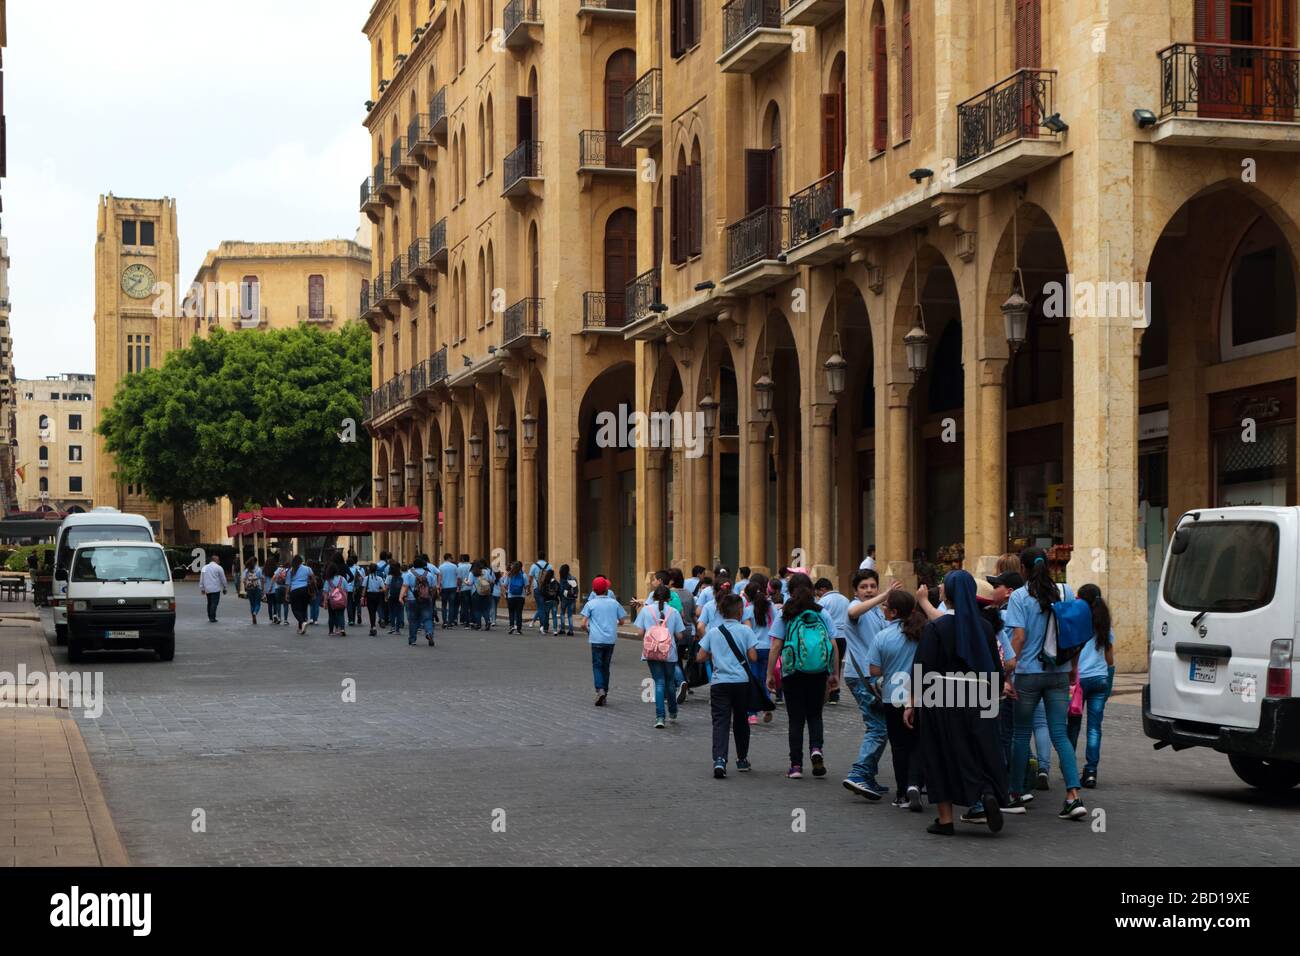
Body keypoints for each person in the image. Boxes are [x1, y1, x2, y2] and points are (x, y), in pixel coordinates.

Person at [907, 570, 1008, 836]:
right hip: (979, 698)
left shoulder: (936, 628)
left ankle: (945, 819)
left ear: (948, 594)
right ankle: (985, 793)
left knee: (940, 755)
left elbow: (921, 668)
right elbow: (996, 669)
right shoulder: (984, 627)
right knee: (976, 751)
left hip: (941, 700)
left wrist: (911, 702)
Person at [1004, 548, 1087, 820]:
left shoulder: (1019, 596)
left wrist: (1008, 670)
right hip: (1058, 671)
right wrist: (1073, 670)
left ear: (1023, 570)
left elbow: (1018, 635)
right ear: (1050, 565)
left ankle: (1015, 793)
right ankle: (1073, 796)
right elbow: (1073, 635)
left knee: (1019, 733)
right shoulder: (1064, 590)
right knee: (1059, 734)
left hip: (1027, 672)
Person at [766, 572, 839, 779]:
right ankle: (816, 749)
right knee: (815, 715)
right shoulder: (821, 612)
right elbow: (833, 644)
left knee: (796, 719)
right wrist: (834, 674)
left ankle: (796, 765)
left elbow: (776, 646)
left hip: (792, 672)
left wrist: (770, 674)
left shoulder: (786, 613)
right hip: (818, 671)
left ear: (790, 591)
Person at [869, 589, 927, 810]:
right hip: (923, 693)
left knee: (899, 745)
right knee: (919, 743)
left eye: (885, 606)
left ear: (893, 612)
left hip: (893, 694)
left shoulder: (882, 636)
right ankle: (916, 784)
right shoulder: (924, 631)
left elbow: (874, 669)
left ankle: (902, 793)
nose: (883, 609)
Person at [842, 569, 897, 800]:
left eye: (872, 586)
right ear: (856, 590)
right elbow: (854, 611)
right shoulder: (855, 607)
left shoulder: (876, 612)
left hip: (873, 676)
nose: (869, 590)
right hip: (860, 675)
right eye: (864, 587)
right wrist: (884, 595)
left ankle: (868, 776)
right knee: (878, 727)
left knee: (879, 725)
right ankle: (859, 773)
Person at [697, 593, 759, 778]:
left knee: (720, 722)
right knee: (741, 721)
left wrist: (714, 654)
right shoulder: (746, 631)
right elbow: (754, 657)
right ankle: (742, 759)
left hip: (719, 682)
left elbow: (700, 656)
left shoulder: (714, 632)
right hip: (741, 682)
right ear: (740, 611)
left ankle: (719, 759)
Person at [1068, 584, 1115, 789]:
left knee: (1073, 724)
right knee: (1094, 728)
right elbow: (1110, 658)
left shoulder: (1078, 621)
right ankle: (1090, 772)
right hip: (1100, 678)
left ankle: (1069, 768)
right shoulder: (1104, 624)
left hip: (1080, 680)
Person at [634, 584, 687, 729]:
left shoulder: (645, 611)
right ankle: (673, 711)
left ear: (654, 596)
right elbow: (680, 635)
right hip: (669, 652)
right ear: (669, 597)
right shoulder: (674, 612)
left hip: (652, 651)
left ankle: (660, 717)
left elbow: (639, 633)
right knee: (670, 682)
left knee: (659, 682)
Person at [578, 576, 627, 706]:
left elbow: (583, 624)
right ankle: (605, 691)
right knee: (606, 666)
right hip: (610, 639)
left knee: (597, 665)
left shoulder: (591, 604)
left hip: (596, 639)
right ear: (607, 589)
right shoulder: (614, 603)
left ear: (594, 590)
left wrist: (589, 630)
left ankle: (600, 689)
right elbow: (622, 621)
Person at [815, 577, 851, 704]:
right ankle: (835, 693)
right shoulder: (846, 599)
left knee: (826, 663)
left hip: (829, 637)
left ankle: (826, 691)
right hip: (843, 637)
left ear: (823, 589)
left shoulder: (823, 601)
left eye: (818, 592)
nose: (817, 595)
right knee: (838, 663)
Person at [401, 556, 437, 647]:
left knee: (413, 620)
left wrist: (400, 597)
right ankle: (429, 633)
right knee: (427, 618)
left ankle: (412, 639)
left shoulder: (409, 574)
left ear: (414, 565)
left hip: (411, 599)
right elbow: (433, 588)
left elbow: (405, 586)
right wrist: (431, 597)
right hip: (426, 599)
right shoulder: (428, 574)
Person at [287, 556, 312, 634]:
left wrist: (286, 594)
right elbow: (313, 578)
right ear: (301, 561)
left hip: (294, 590)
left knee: (295, 609)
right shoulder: (307, 568)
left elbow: (288, 584)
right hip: (305, 590)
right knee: (303, 608)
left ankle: (302, 622)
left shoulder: (291, 570)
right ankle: (301, 627)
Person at [199, 555, 228, 624]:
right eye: (218, 560)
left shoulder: (204, 567)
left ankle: (210, 616)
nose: (219, 561)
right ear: (215, 560)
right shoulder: (219, 568)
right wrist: (225, 587)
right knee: (214, 603)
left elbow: (201, 578)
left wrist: (202, 588)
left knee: (209, 603)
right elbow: (223, 578)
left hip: (207, 588)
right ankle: (212, 617)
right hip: (215, 588)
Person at [528, 552, 551, 629]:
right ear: (545, 557)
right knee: (546, 607)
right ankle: (546, 625)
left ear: (538, 557)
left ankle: (542, 625)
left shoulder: (534, 566)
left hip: (537, 588)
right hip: (547, 589)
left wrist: (528, 589)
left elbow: (530, 578)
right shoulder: (549, 566)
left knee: (540, 607)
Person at [324, 563, 349, 637]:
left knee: (331, 615)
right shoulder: (342, 579)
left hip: (331, 601)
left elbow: (325, 592)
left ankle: (331, 631)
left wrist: (325, 601)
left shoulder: (328, 580)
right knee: (341, 614)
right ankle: (342, 629)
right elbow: (346, 590)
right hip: (341, 600)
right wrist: (346, 600)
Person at [364, 562, 387, 636]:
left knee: (371, 612)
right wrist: (378, 590)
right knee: (377, 608)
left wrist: (362, 596)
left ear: (369, 570)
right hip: (377, 596)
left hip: (369, 595)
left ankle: (373, 627)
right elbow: (384, 589)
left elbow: (364, 589)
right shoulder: (379, 578)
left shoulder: (366, 578)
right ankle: (381, 620)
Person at [438, 553, 459, 628]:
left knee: (444, 605)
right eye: (451, 558)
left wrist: (439, 586)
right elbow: (457, 577)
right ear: (449, 558)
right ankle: (450, 622)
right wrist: (457, 586)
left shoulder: (441, 567)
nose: (452, 559)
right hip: (453, 587)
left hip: (444, 587)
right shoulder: (454, 566)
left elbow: (439, 578)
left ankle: (444, 622)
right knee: (451, 605)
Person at [241, 557, 264, 625]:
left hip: (249, 589)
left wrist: (246, 587)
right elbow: (262, 579)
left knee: (252, 603)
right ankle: (255, 613)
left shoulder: (246, 570)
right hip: (257, 587)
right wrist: (263, 589)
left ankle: (253, 616)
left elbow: (244, 580)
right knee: (258, 603)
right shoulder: (259, 569)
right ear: (256, 562)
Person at [538, 568, 561, 635]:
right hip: (555, 601)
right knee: (554, 616)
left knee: (546, 615)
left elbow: (542, 591)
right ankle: (555, 630)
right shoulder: (556, 582)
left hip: (547, 601)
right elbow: (559, 591)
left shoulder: (545, 582)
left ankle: (545, 629)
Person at [558, 564, 578, 636]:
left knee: (562, 613)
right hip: (572, 598)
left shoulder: (562, 579)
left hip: (564, 598)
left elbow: (561, 589)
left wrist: (560, 596)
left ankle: (562, 629)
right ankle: (571, 630)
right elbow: (576, 589)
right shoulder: (573, 578)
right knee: (570, 614)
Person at [387, 561, 405, 635]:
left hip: (391, 596)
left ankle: (392, 627)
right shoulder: (403, 575)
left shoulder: (389, 576)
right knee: (399, 612)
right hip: (400, 595)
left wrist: (385, 596)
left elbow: (386, 587)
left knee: (392, 612)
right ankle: (397, 629)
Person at [345, 555, 362, 628]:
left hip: (347, 588)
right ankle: (354, 618)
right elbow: (360, 579)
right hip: (355, 589)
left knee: (349, 604)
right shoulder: (356, 569)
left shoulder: (345, 569)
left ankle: (350, 619)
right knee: (354, 603)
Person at [457, 553, 473, 627]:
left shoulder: (460, 567)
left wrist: (459, 587)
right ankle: (473, 621)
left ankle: (466, 622)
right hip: (472, 588)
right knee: (472, 606)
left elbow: (459, 579)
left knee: (465, 606)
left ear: (463, 559)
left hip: (464, 588)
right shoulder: (472, 566)